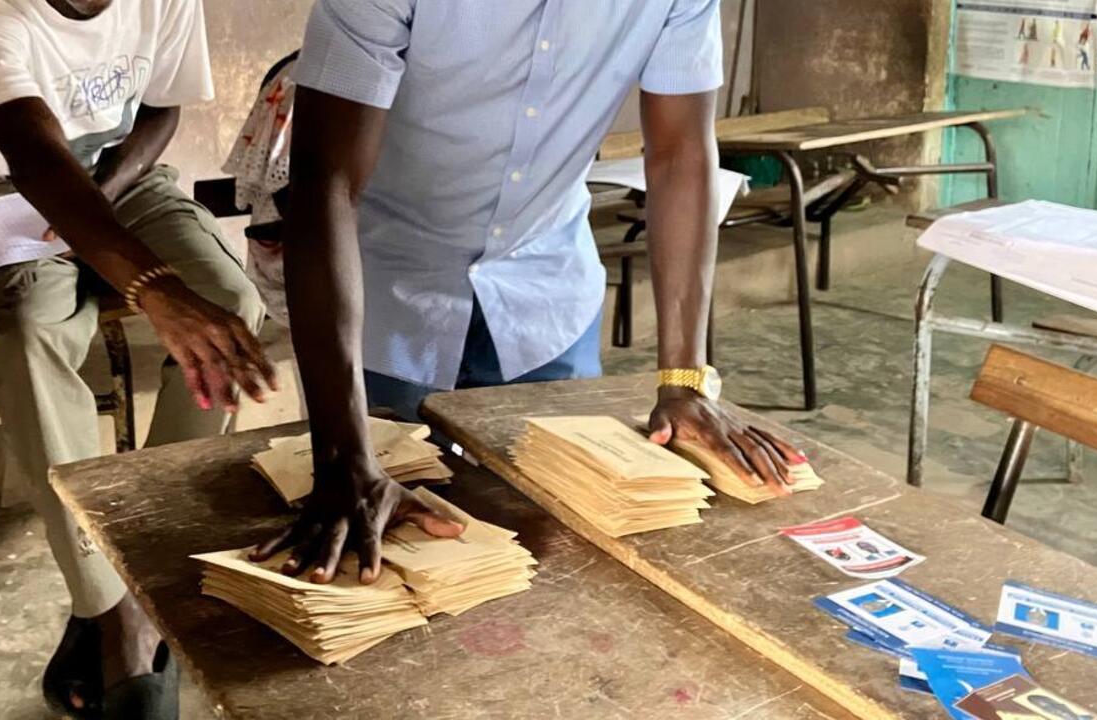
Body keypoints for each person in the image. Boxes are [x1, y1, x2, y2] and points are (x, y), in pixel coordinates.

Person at [252, 0, 799, 586]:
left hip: (546, 296)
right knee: (390, 569)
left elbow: (679, 156)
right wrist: (343, 457)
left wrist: (684, 380)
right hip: (383, 299)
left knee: (567, 553)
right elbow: (326, 181)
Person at [0, 0, 274, 716]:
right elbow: (34, 155)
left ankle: (147, 557)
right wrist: (151, 287)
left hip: (125, 183)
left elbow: (160, 109)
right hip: (3, 198)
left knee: (229, 300)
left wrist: (105, 197)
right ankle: (115, 615)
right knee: (23, 334)